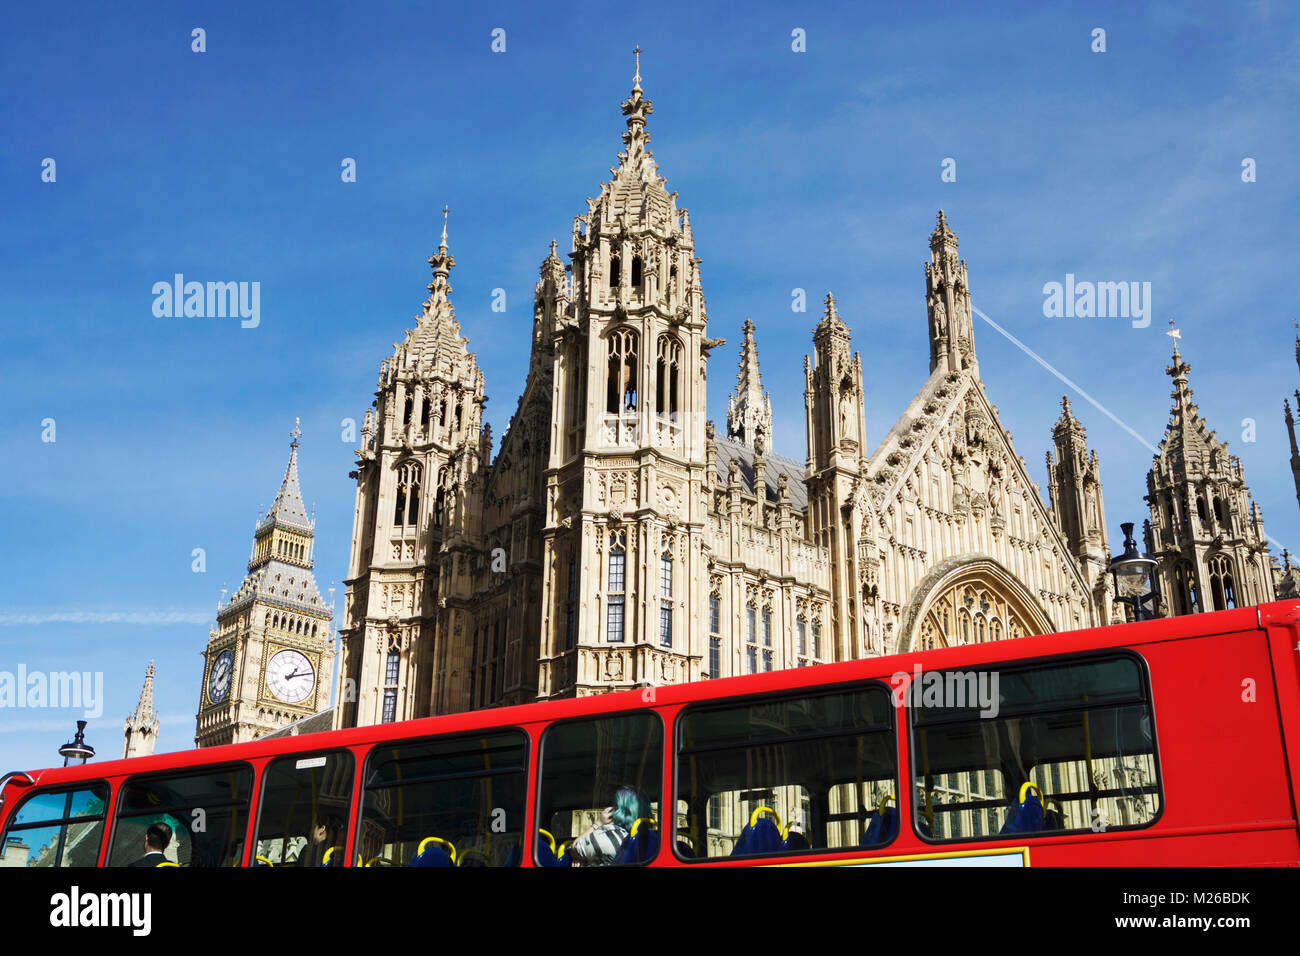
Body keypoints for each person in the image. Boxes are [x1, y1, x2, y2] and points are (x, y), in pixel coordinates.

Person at [568, 787, 651, 866]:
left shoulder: (610, 835)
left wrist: (598, 823)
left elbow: (574, 849)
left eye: (614, 804)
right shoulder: (649, 837)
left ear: (620, 810)